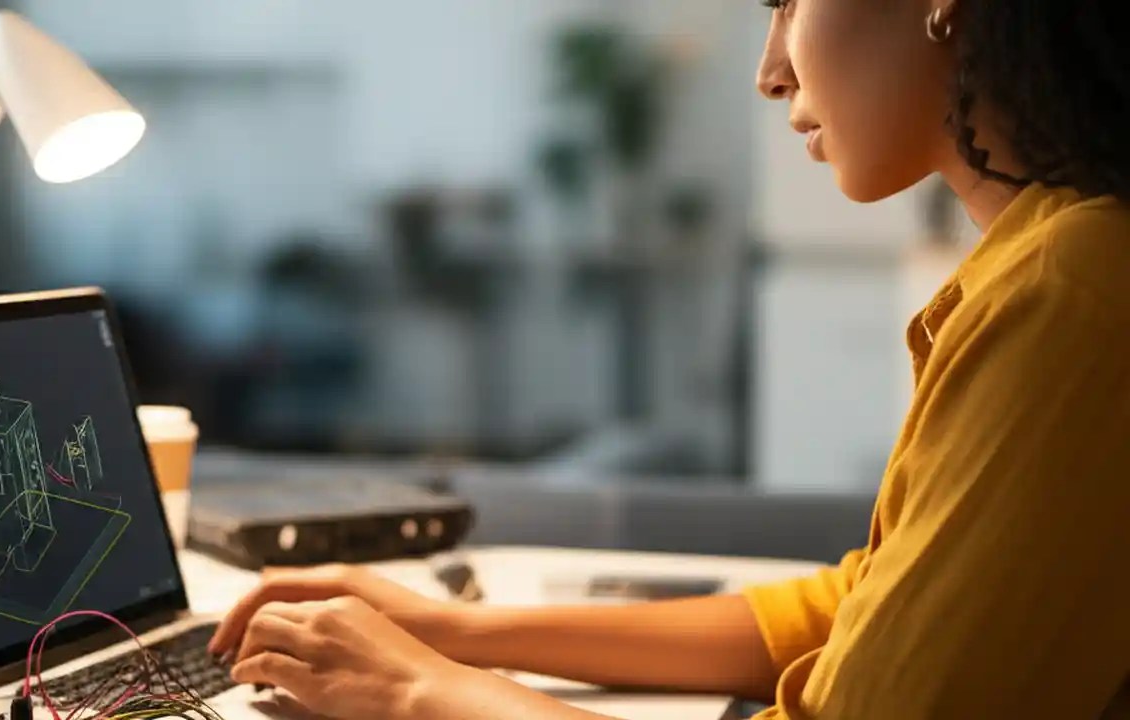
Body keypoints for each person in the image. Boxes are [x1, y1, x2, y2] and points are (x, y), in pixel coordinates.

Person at [208, 0, 1130, 716]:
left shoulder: (1068, 290)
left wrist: (416, 690)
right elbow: (862, 607)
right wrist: (458, 631)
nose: (770, 72)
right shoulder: (1055, 259)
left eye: (787, 3)